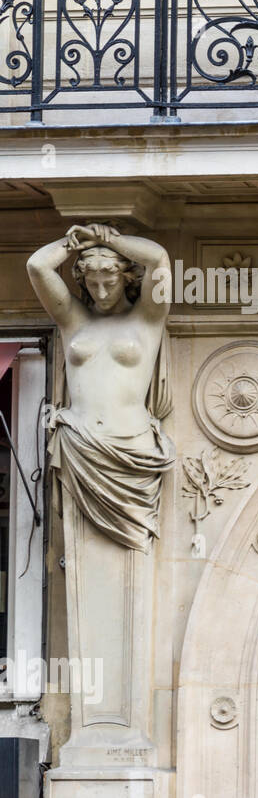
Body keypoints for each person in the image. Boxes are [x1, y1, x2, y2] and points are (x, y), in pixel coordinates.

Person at [27, 223, 175, 553]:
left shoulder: (147, 318)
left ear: (127, 279)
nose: (102, 291)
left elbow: (159, 260)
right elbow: (38, 266)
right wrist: (73, 243)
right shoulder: (74, 320)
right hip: (80, 445)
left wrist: (110, 240)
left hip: (131, 450)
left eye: (109, 282)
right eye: (93, 284)